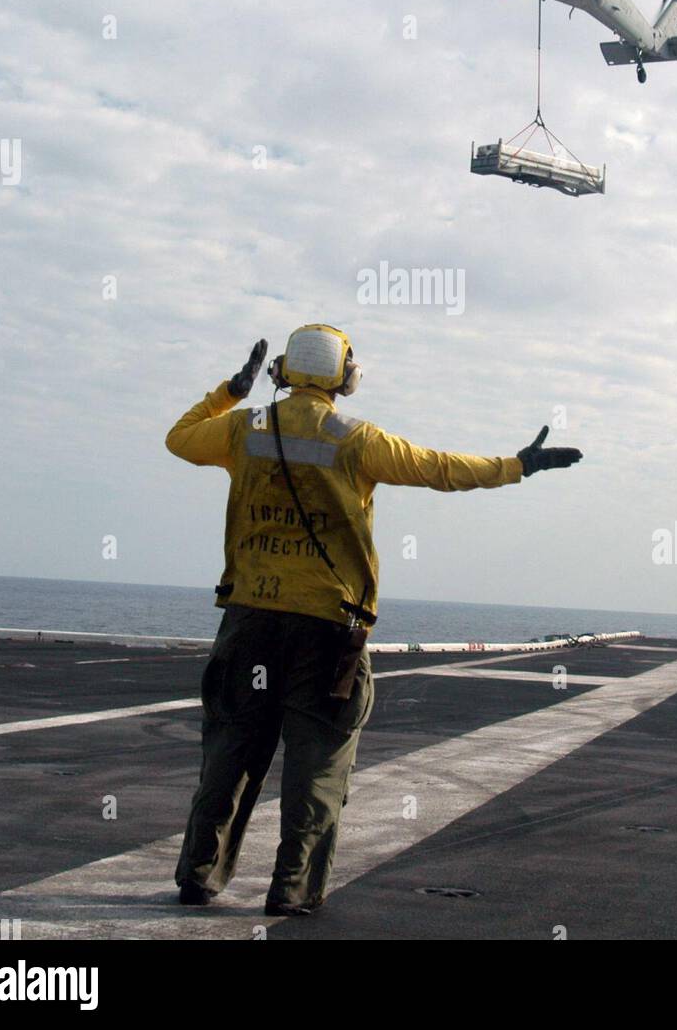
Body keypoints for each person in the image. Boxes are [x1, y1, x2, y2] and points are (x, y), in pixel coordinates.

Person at [166, 323, 582, 915]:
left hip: (250, 618)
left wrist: (231, 390)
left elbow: (178, 440)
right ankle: (290, 890)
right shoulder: (358, 440)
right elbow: (440, 468)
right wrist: (517, 465)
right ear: (346, 377)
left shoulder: (243, 427)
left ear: (282, 371)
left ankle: (198, 877)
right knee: (318, 763)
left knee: (232, 748)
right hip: (328, 628)